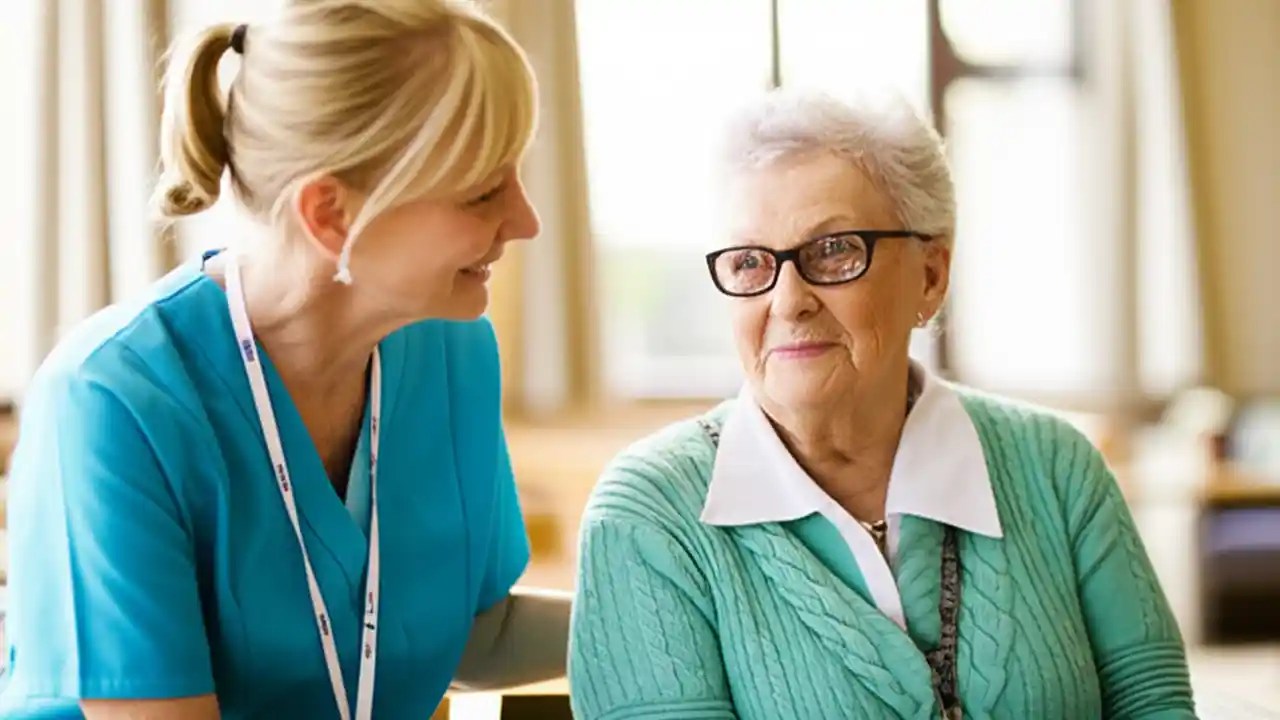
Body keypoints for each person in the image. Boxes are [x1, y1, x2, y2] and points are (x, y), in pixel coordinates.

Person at [0, 2, 569, 718]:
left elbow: (474, 635)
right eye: (484, 189)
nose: (526, 221)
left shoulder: (450, 348)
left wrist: (705, 609)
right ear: (330, 213)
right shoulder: (110, 400)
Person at [568, 90, 1197, 719]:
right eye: (750, 261)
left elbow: (1155, 706)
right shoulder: (648, 515)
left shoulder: (1057, 470)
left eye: (834, 250)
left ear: (930, 275)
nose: (787, 301)